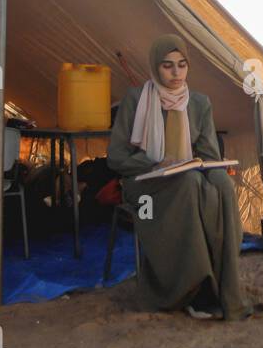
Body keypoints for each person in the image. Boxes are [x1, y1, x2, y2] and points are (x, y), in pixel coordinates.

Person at [106, 34, 250, 321]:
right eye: (167, 66)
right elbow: (116, 157)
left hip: (185, 177)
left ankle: (225, 284)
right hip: (144, 183)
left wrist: (206, 165)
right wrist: (155, 161)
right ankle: (195, 290)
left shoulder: (198, 103)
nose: (175, 73)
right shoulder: (136, 99)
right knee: (190, 184)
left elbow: (208, 155)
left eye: (182, 65)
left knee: (220, 184)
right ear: (155, 67)